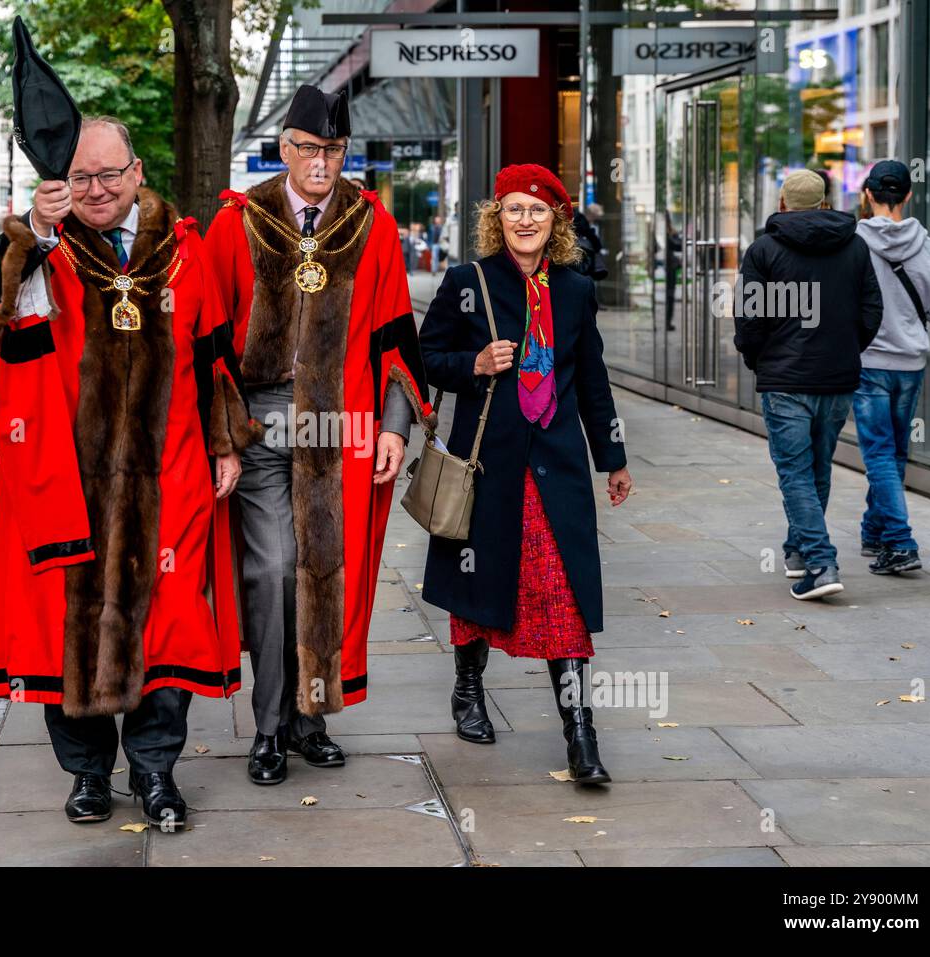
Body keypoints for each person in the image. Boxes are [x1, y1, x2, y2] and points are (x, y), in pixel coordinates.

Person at [0, 20, 261, 832]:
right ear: (59, 179)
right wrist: (38, 234)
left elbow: (214, 354)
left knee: (169, 621)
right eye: (78, 175)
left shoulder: (184, 251)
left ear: (137, 173)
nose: (95, 188)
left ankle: (156, 772)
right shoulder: (41, 254)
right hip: (67, 479)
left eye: (109, 173)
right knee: (69, 623)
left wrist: (227, 439)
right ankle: (88, 772)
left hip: (173, 474)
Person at [205, 84, 434, 785]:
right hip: (261, 421)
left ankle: (311, 718)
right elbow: (209, 338)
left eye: (334, 150)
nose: (323, 164)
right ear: (285, 149)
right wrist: (221, 437)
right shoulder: (239, 223)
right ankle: (270, 726)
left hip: (341, 426)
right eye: (309, 149)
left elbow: (397, 333)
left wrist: (398, 427)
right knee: (272, 568)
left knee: (324, 574)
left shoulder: (371, 225)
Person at [418, 163, 631, 785]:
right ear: (497, 218)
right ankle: (467, 687)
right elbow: (428, 357)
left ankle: (580, 734)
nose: (526, 220)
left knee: (561, 593)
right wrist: (475, 362)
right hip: (489, 463)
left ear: (556, 221)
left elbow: (592, 379)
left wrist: (612, 458)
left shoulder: (574, 290)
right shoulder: (467, 282)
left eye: (538, 211)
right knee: (478, 585)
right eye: (514, 209)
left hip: (556, 466)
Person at [734, 169, 883, 600]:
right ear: (823, 203)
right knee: (817, 467)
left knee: (795, 472)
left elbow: (749, 319)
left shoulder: (763, 250)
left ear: (782, 203)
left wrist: (758, 359)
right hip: (837, 378)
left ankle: (820, 563)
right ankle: (798, 551)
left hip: (785, 379)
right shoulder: (854, 247)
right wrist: (847, 349)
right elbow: (872, 310)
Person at [852, 160, 930, 575]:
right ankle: (874, 532)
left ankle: (900, 541)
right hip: (911, 363)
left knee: (878, 452)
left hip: (869, 361)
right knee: (894, 450)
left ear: (868, 195)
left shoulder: (852, 244)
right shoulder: (928, 247)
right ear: (908, 195)